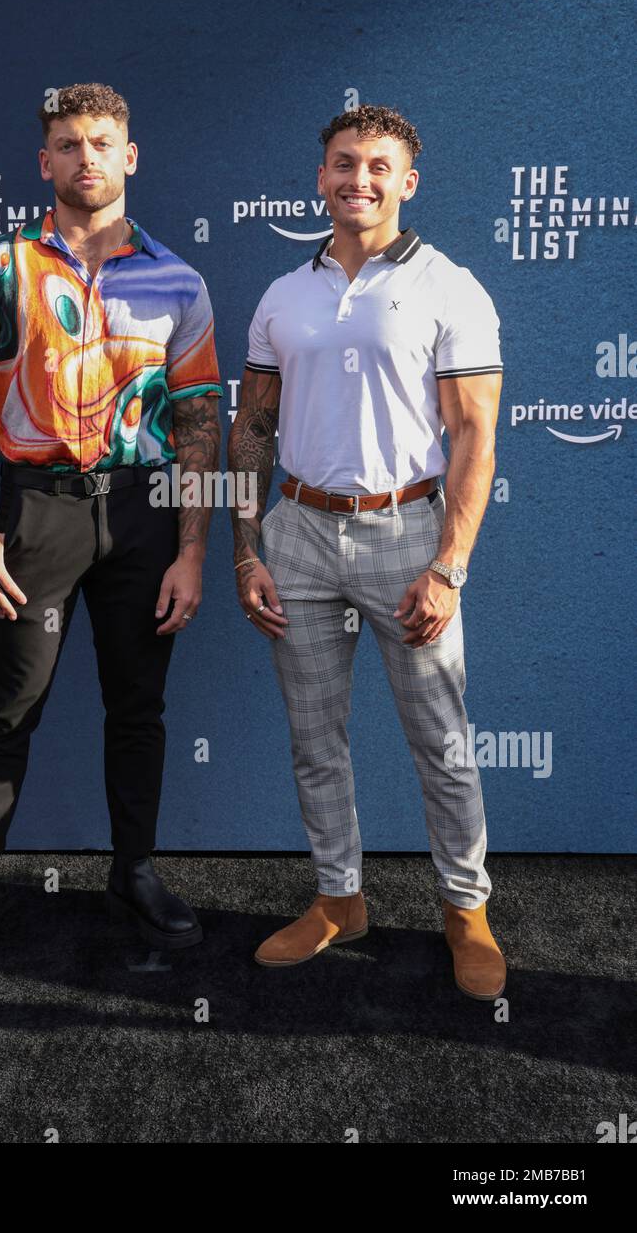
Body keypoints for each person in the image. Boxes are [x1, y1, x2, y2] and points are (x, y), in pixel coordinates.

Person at [0, 82, 222, 985]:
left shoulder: (179, 279)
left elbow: (201, 422)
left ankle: (131, 876)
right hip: (37, 511)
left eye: (101, 141)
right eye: (66, 143)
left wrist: (191, 548)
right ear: (44, 162)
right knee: (9, 710)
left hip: (140, 511)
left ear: (129, 157)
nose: (84, 156)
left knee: (139, 709)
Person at [227, 103, 506, 1000]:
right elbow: (251, 431)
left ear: (406, 181)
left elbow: (474, 437)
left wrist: (448, 566)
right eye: (343, 163)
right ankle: (338, 900)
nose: (359, 179)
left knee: (441, 741)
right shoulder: (281, 294)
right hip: (297, 535)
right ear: (320, 177)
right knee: (316, 742)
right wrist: (245, 548)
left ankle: (465, 911)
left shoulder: (451, 288)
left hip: (407, 535)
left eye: (379, 165)